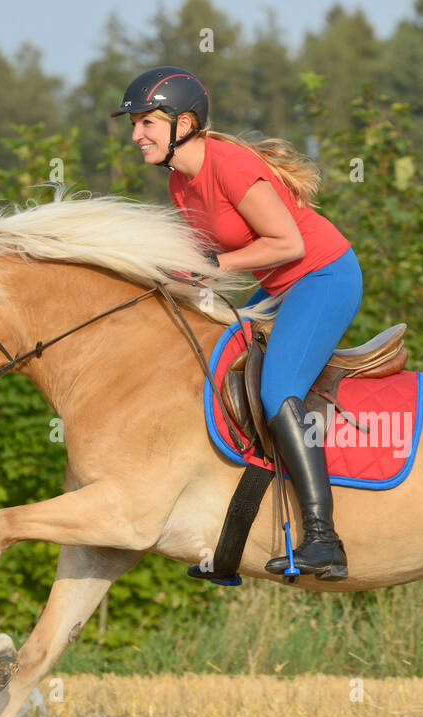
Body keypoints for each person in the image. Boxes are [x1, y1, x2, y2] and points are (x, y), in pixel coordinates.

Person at [113, 66, 361, 581]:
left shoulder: (227, 164)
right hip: (278, 287)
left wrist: (212, 268)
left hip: (323, 276)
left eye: (146, 123)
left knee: (277, 391)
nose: (136, 135)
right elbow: (203, 253)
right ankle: (228, 549)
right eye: (135, 124)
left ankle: (324, 539)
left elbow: (287, 245)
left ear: (183, 122)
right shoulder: (180, 182)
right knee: (218, 379)